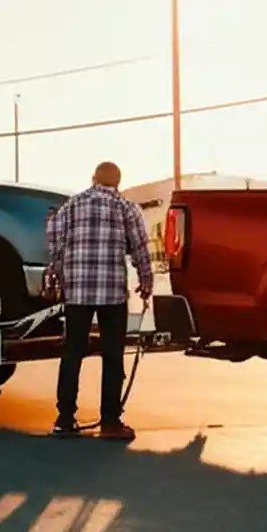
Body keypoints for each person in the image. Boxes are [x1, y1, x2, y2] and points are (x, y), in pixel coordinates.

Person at [45, 161, 154, 439]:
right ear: (117, 182)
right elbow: (140, 245)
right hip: (112, 292)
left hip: (78, 291)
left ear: (93, 179)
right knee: (112, 355)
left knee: (72, 352)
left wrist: (56, 273)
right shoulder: (125, 208)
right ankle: (110, 422)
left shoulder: (71, 206)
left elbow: (55, 240)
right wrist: (146, 279)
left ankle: (65, 419)